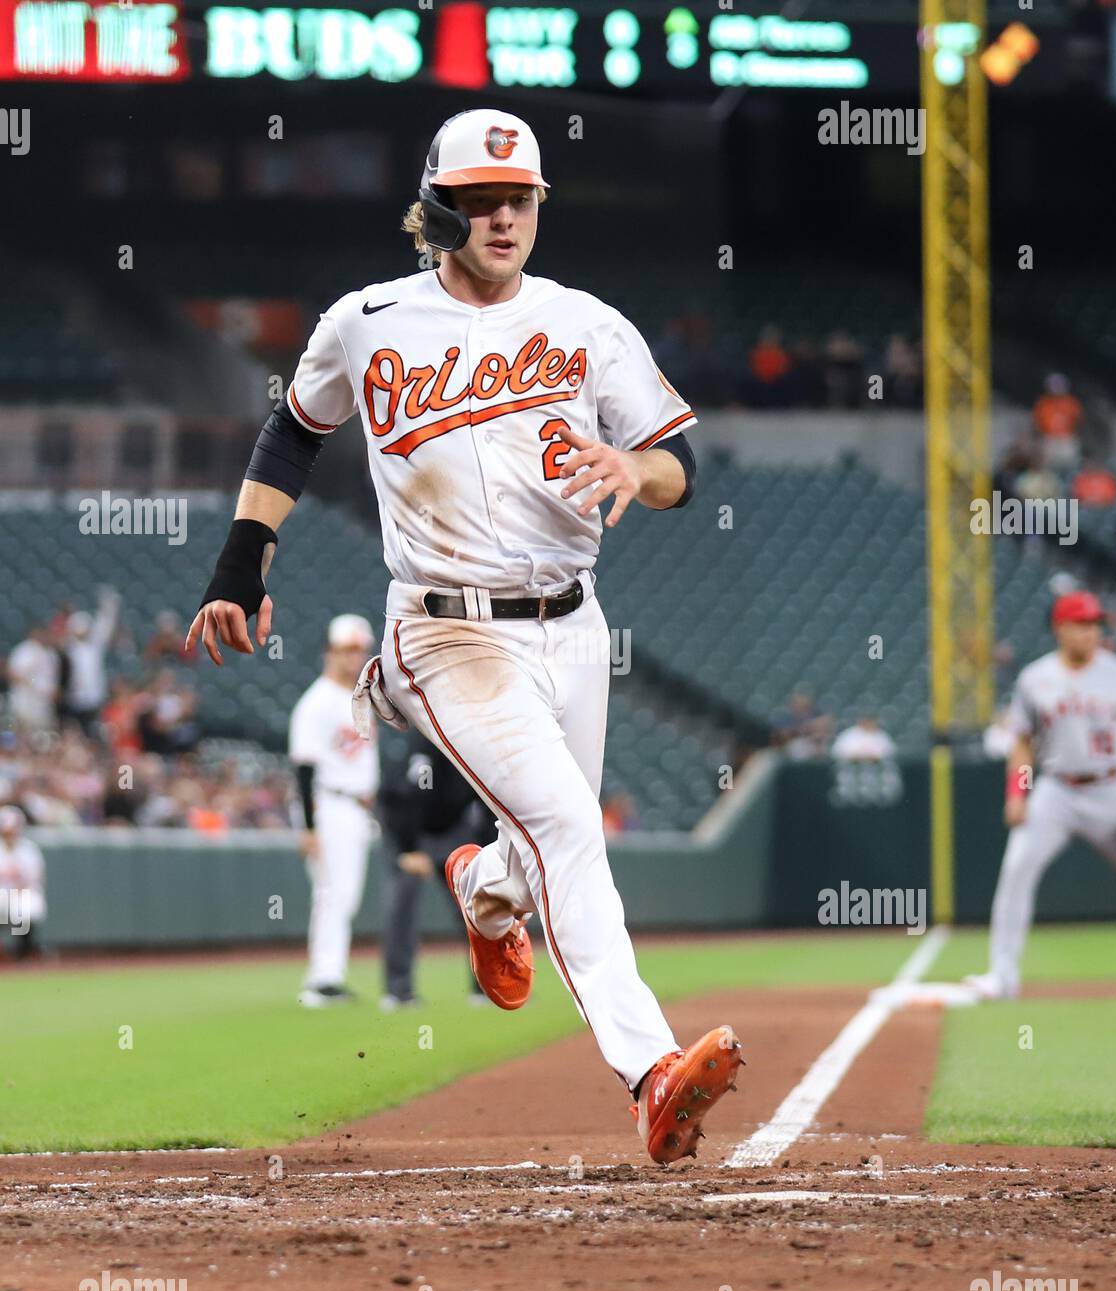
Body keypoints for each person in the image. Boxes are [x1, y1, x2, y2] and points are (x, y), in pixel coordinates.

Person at [183, 108, 743, 1164]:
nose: (501, 216)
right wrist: (237, 565)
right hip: (444, 634)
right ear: (438, 208)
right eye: (479, 199)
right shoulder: (369, 319)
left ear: (538, 206)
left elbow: (680, 468)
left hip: (572, 627)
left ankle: (483, 892)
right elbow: (294, 429)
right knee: (571, 826)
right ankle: (650, 1071)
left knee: (536, 854)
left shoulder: (587, 324)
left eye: (518, 197)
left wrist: (636, 470)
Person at [967, 591, 1116, 1001]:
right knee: (1017, 868)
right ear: (1060, 628)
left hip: (1114, 790)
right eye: (1082, 624)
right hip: (1056, 791)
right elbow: (1022, 743)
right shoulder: (1035, 678)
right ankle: (1002, 976)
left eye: (1094, 624)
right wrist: (1018, 792)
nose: (1091, 632)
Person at [288, 614, 380, 1008]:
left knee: (345, 896)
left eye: (359, 649)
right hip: (328, 803)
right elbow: (303, 767)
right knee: (332, 893)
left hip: (354, 806)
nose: (353, 656)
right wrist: (308, 826)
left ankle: (330, 974)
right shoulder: (318, 701)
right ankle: (322, 979)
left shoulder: (359, 697)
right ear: (330, 652)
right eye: (346, 649)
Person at [379, 736, 490, 1009]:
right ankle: (398, 992)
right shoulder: (427, 742)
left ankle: (486, 987)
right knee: (402, 908)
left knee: (477, 904)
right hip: (406, 829)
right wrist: (409, 848)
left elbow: (488, 807)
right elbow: (410, 793)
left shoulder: (476, 747)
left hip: (452, 829)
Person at [62, 587, 120, 735]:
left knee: (93, 730)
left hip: (93, 696)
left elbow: (105, 625)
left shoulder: (94, 645)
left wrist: (109, 606)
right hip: (74, 696)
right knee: (75, 731)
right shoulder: (69, 647)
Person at [0, 804, 45, 961]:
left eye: (12, 829)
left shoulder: (29, 849)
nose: (10, 833)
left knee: (25, 906)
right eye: (7, 830)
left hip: (23, 893)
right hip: (2, 894)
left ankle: (21, 953)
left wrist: (16, 891)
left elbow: (36, 878)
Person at [6, 625, 60, 734]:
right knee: (24, 735)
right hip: (25, 701)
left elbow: (52, 679)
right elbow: (13, 673)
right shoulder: (24, 651)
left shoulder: (51, 653)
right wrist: (33, 685)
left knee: (42, 736)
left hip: (44, 704)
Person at [831, 715, 897, 763]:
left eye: (870, 721)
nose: (868, 724)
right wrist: (853, 756)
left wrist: (877, 757)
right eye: (866, 721)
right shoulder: (848, 734)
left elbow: (891, 751)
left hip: (878, 767)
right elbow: (836, 751)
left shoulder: (881, 735)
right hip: (851, 766)